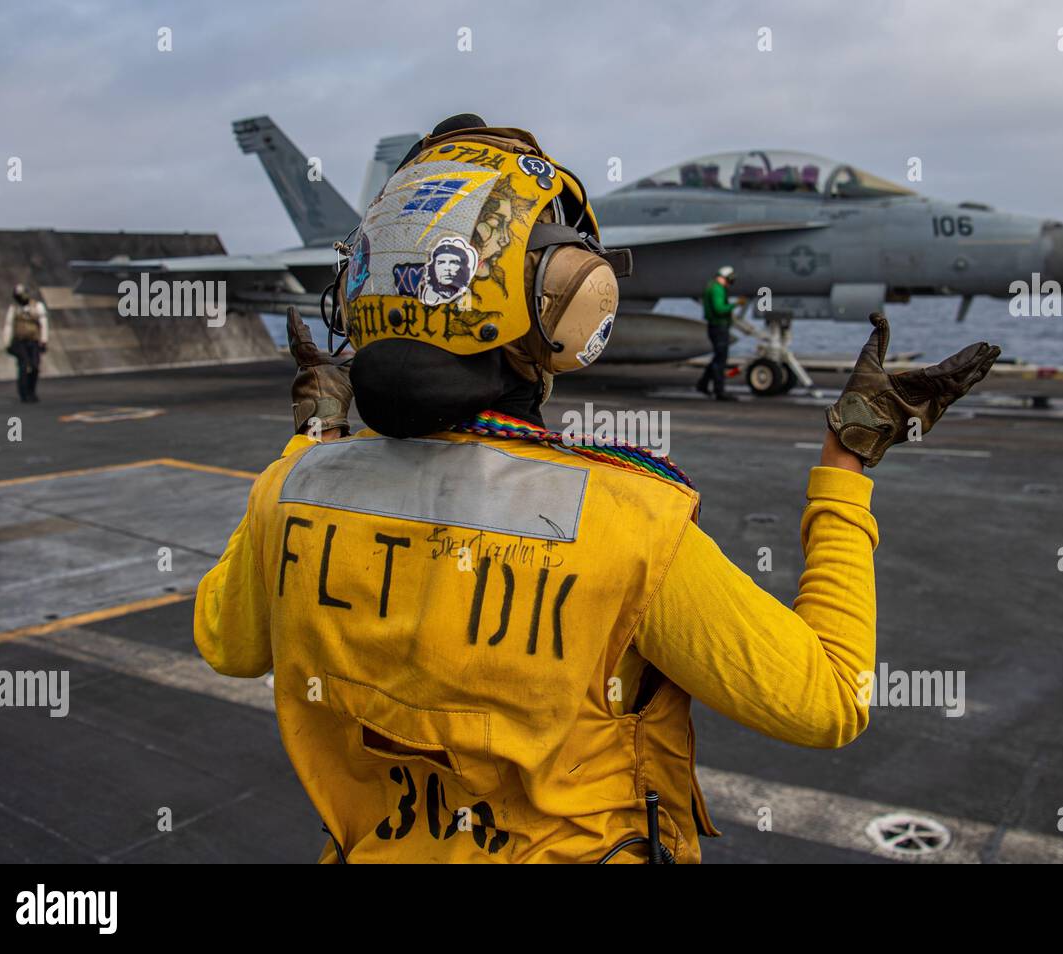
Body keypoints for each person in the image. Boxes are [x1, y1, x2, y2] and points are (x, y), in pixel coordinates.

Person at [194, 115, 1000, 863]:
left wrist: (309, 445)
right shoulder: (628, 523)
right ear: (572, 301)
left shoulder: (289, 492)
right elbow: (827, 699)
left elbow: (228, 648)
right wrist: (846, 464)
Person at [696, 265, 737, 400]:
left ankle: (703, 384)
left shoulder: (713, 287)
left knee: (718, 358)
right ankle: (719, 391)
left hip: (716, 327)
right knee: (720, 360)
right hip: (719, 327)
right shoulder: (717, 289)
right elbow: (719, 309)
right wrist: (735, 304)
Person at [3, 284, 48, 402]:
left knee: (34, 367)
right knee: (23, 366)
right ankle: (24, 393)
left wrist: (43, 340)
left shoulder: (37, 307)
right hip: (20, 342)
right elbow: (8, 325)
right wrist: (7, 342)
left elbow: (43, 324)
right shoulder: (14, 308)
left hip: (33, 342)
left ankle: (31, 391)